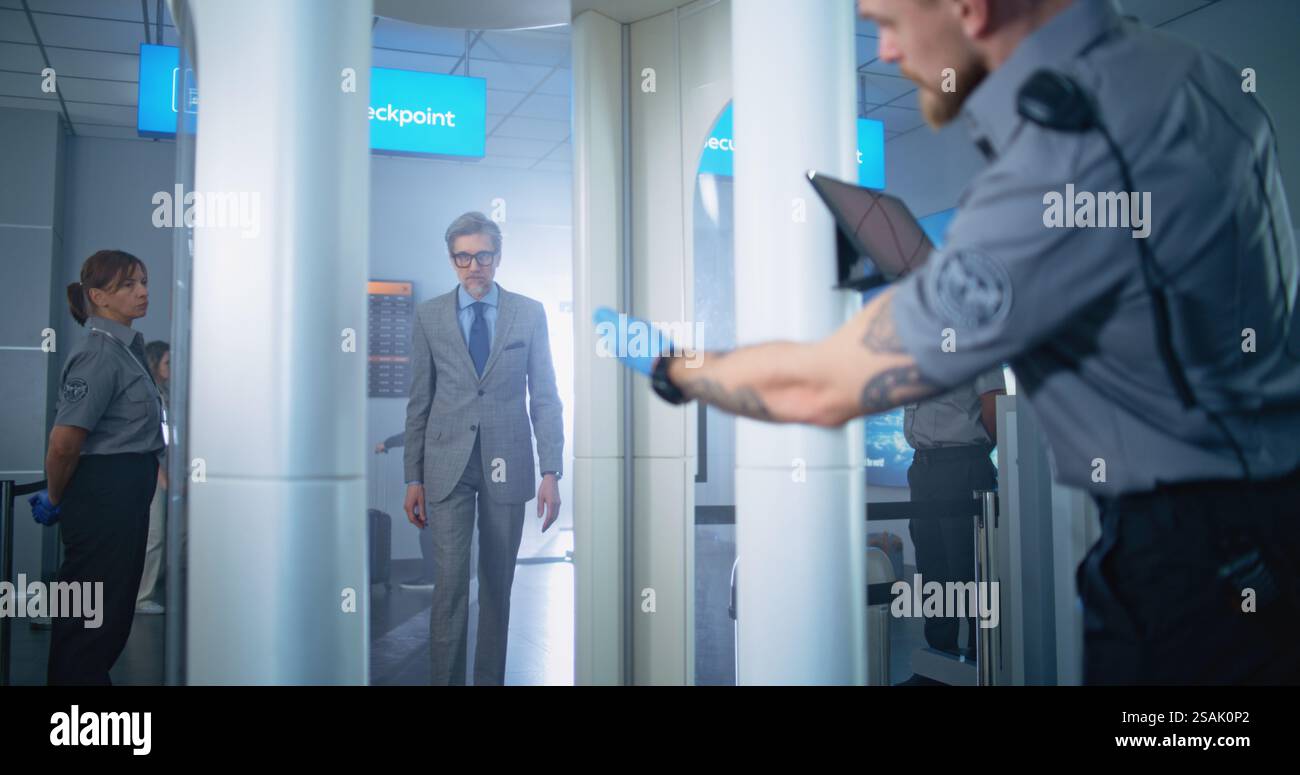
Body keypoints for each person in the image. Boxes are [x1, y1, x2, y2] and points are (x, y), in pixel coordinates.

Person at [602, 0, 1300, 684]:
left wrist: (673, 365)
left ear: (969, 8)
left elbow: (819, 384)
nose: (885, 51)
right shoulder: (1190, 74)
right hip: (1256, 535)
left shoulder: (1066, 152)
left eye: (889, 21)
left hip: (1192, 569)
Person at [403, 211, 564, 686]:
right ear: (452, 259)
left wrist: (551, 469)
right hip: (445, 465)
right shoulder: (430, 315)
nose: (474, 266)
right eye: (464, 257)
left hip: (508, 463)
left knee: (497, 586)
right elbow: (420, 400)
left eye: (484, 255)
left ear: (498, 256)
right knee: (450, 587)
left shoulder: (528, 312)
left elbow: (546, 394)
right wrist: (413, 476)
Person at [31, 249, 165, 685]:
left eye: (143, 281)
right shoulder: (99, 355)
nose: (142, 291)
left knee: (109, 617)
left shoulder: (127, 350)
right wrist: (55, 497)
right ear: (97, 296)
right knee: (90, 619)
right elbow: (64, 442)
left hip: (123, 497)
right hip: (104, 496)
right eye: (127, 284)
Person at [904, 368, 1004, 665]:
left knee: (971, 568)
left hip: (962, 465)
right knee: (933, 567)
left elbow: (994, 404)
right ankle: (937, 662)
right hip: (922, 468)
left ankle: (983, 665)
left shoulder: (975, 330)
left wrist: (978, 460)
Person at [375, 431, 437, 589]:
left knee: (427, 529)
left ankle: (432, 578)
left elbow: (413, 433)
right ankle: (440, 577)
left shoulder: (433, 411)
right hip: (448, 477)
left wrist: (387, 443)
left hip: (434, 478)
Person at [135, 340, 170, 614]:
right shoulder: (149, 394)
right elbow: (147, 440)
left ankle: (144, 593)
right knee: (154, 534)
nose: (172, 367)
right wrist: (161, 476)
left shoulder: (162, 393)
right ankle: (141, 597)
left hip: (159, 472)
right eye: (168, 362)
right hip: (151, 474)